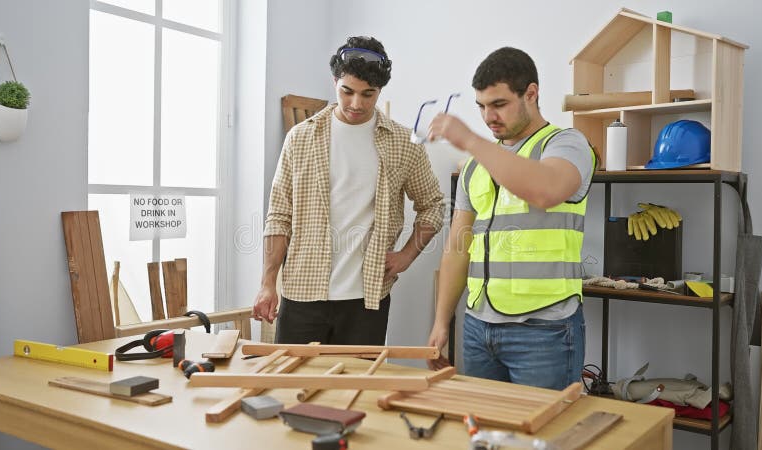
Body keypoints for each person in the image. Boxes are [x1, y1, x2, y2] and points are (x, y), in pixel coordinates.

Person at [254, 36, 444, 346]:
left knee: (358, 391)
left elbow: (434, 205)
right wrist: (267, 283)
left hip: (366, 300)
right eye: (347, 92)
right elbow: (279, 215)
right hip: (303, 293)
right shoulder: (301, 138)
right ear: (334, 82)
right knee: (291, 390)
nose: (356, 104)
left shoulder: (403, 143)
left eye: (368, 94)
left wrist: (407, 255)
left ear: (380, 90)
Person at [425, 47, 596, 390]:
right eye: (482, 107)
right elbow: (459, 248)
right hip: (477, 328)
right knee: (485, 436)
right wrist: (442, 320)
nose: (489, 117)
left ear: (531, 94)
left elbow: (546, 189)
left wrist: (469, 140)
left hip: (544, 331)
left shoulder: (567, 144)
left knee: (544, 440)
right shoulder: (475, 166)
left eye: (499, 104)